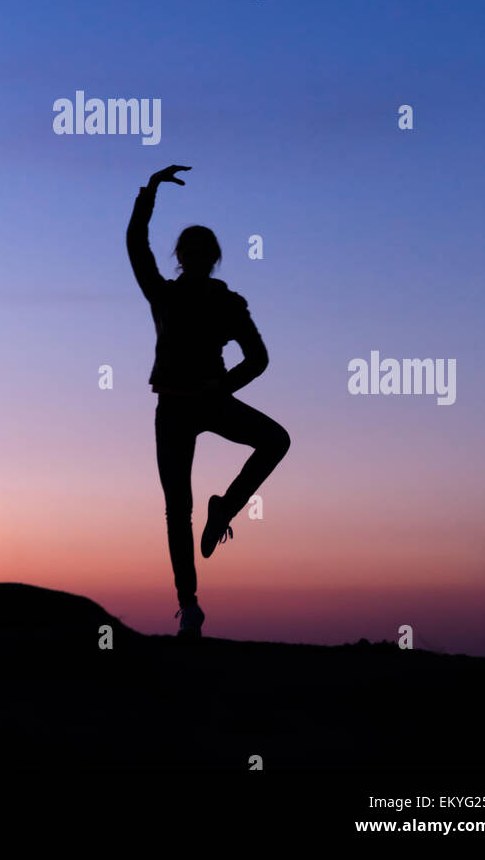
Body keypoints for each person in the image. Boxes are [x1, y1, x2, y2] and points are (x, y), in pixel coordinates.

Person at [126, 165, 290, 637]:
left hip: (198, 404)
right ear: (187, 256)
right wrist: (149, 193)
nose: (195, 257)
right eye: (191, 251)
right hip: (181, 407)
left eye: (200, 251)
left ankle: (223, 515)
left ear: (208, 257)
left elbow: (258, 358)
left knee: (272, 444)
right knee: (179, 507)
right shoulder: (170, 295)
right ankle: (190, 605)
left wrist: (220, 389)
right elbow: (137, 245)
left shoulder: (218, 301)